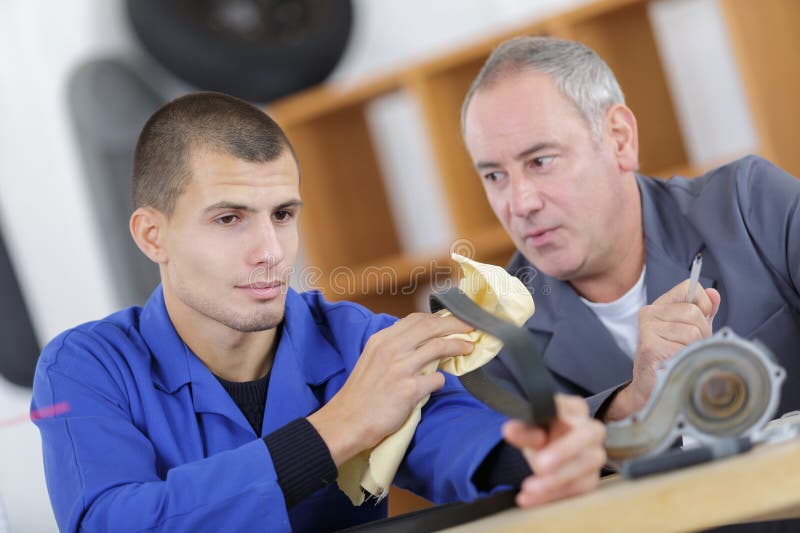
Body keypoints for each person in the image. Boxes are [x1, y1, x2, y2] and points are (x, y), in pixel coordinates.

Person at [31, 92, 606, 532]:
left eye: (283, 215)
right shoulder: (84, 368)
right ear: (152, 235)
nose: (270, 251)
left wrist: (536, 454)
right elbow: (113, 522)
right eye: (229, 219)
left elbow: (457, 437)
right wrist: (339, 427)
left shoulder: (357, 340)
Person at [462, 37, 800, 529]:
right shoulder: (493, 340)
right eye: (494, 176)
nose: (520, 202)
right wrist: (631, 405)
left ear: (619, 139)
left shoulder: (751, 205)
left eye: (540, 161)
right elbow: (517, 493)